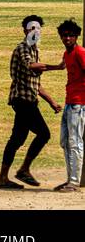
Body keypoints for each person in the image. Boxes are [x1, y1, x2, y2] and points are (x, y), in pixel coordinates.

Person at [0, 15, 59, 190]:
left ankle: (3, 178)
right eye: (31, 28)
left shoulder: (34, 50)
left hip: (28, 100)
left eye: (38, 28)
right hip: (22, 100)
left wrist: (52, 102)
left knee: (17, 139)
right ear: (25, 30)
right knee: (44, 134)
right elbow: (30, 66)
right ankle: (23, 169)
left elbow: (36, 85)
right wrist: (56, 67)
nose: (35, 31)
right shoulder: (23, 48)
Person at [42, 19, 85, 191]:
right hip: (70, 102)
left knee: (75, 141)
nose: (67, 38)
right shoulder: (67, 54)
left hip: (79, 103)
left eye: (70, 35)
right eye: (64, 35)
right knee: (65, 141)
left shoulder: (80, 52)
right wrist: (40, 67)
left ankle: (74, 182)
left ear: (76, 36)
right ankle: (70, 179)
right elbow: (61, 67)